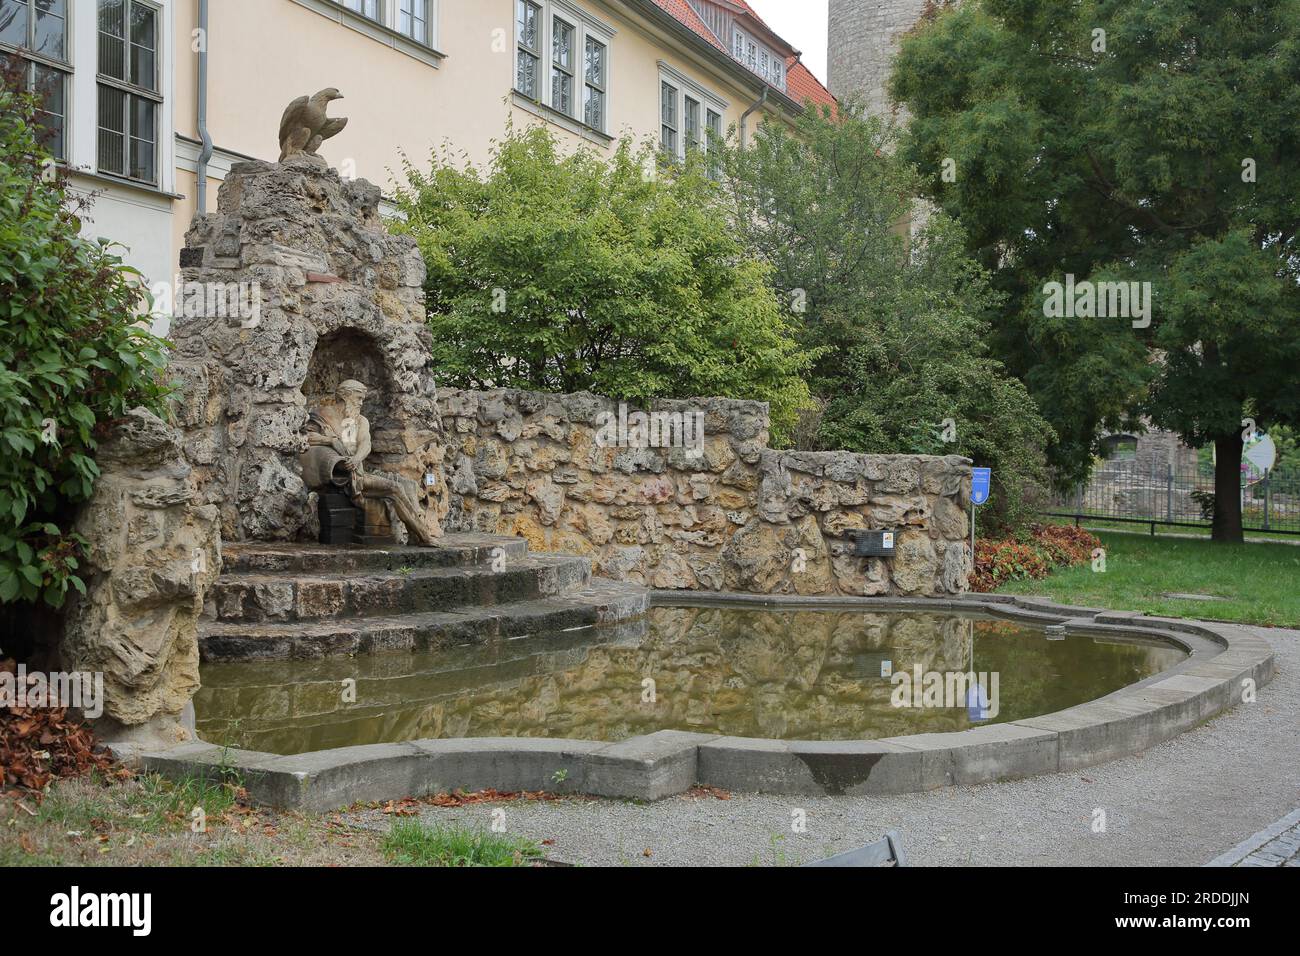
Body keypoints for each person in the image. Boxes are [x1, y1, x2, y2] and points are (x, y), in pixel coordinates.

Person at [299, 380, 440, 545]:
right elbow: (305, 437)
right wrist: (330, 440)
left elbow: (365, 443)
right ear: (345, 395)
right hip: (342, 476)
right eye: (358, 398)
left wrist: (357, 458)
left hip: (356, 469)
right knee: (395, 489)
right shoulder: (323, 415)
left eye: (362, 399)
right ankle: (422, 536)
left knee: (408, 484)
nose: (361, 402)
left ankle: (415, 535)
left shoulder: (361, 421)